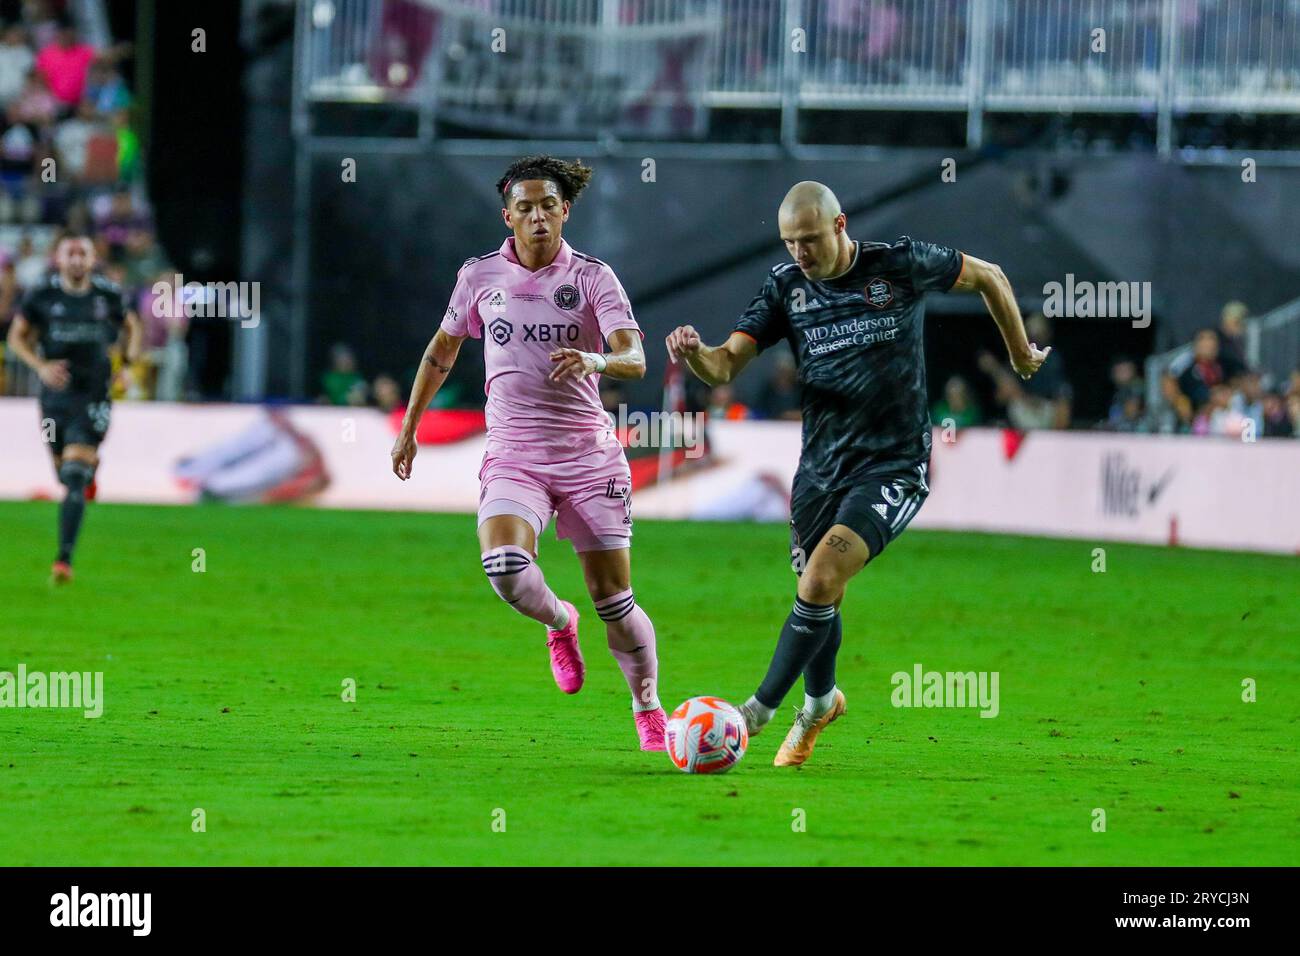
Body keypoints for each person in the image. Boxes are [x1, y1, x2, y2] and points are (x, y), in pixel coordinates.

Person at [665, 181, 1049, 767]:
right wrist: (695, 351)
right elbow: (723, 366)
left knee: (820, 579)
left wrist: (1020, 351)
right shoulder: (785, 288)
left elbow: (990, 275)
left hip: (894, 463)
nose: (801, 253)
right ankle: (820, 702)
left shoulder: (897, 264)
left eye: (811, 240)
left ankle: (754, 713)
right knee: (818, 593)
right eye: (790, 242)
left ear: (840, 225)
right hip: (821, 468)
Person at [390, 155, 668, 752]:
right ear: (507, 215)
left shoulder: (595, 278)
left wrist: (595, 359)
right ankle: (559, 623)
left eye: (549, 205)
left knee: (614, 601)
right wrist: (410, 425)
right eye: (525, 207)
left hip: (588, 456)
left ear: (565, 211)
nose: (538, 216)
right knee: (505, 568)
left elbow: (635, 359)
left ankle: (648, 708)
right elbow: (442, 351)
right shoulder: (479, 277)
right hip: (515, 453)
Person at [5, 232, 141, 583]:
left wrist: (125, 364)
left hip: (94, 394)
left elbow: (131, 326)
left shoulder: (106, 294)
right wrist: (39, 366)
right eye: (71, 253)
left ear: (93, 259)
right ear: (59, 258)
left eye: (84, 253)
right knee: (63, 473)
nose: (78, 260)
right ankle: (87, 473)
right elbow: (16, 337)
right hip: (55, 398)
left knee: (73, 477)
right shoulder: (42, 295)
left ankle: (63, 560)